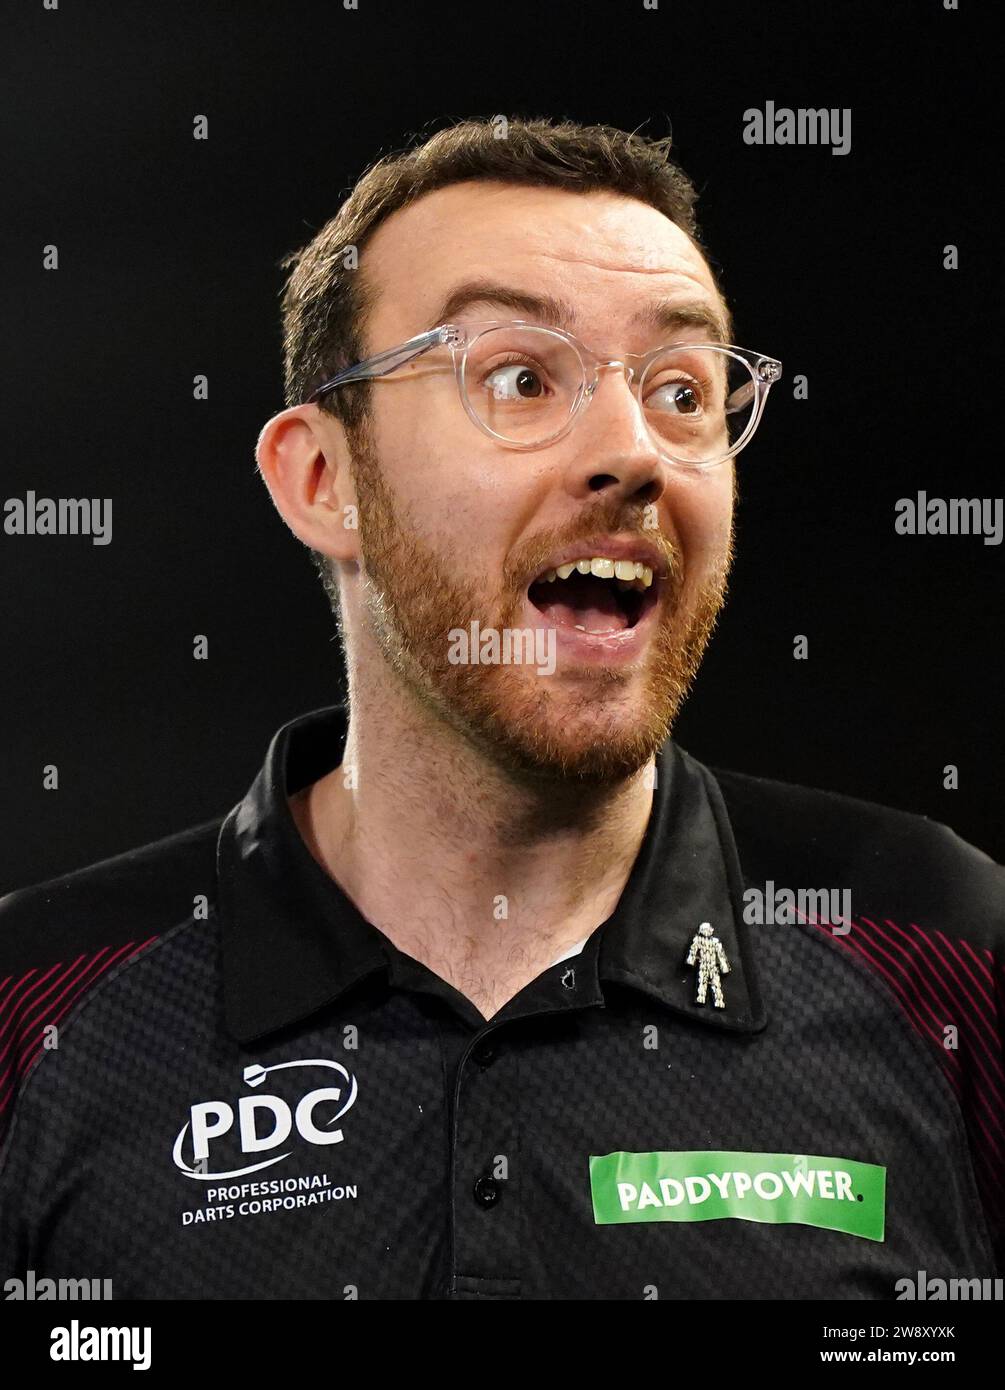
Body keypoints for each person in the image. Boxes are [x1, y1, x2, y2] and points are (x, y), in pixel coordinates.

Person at [0, 118, 1001, 1300]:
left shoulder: (947, 952)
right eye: (521, 378)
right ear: (323, 480)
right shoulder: (37, 1010)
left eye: (682, 389)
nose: (633, 451)